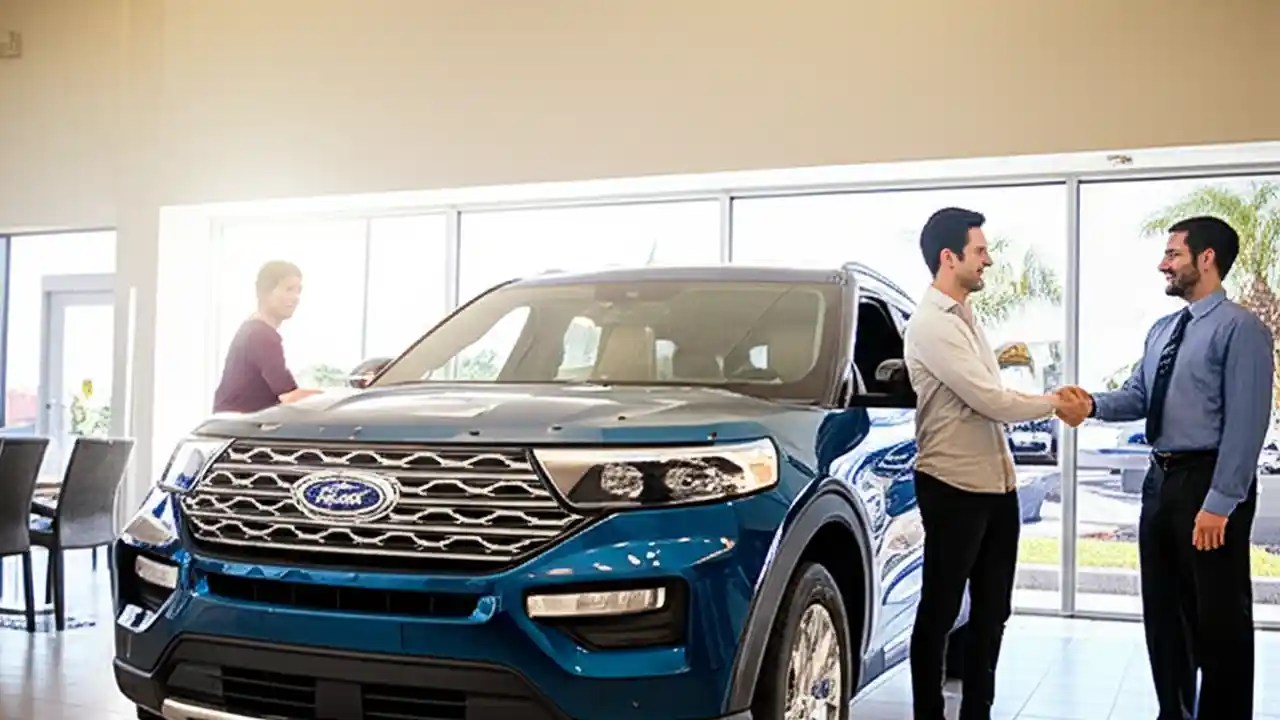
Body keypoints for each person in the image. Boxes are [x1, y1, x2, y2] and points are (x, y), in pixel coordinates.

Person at [1057, 216, 1272, 720]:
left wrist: (1220, 503)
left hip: (1209, 483)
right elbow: (1139, 396)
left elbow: (1247, 424)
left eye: (1173, 254)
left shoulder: (1242, 329)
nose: (1163, 264)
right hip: (1161, 482)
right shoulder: (1163, 331)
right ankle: (1172, 712)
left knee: (1219, 622)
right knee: (1164, 615)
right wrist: (1089, 405)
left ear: (1207, 258)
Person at [903, 207, 1088, 720]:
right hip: (952, 485)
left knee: (993, 612)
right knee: (940, 611)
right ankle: (928, 714)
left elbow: (992, 399)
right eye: (980, 251)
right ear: (949, 257)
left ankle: (978, 712)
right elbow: (991, 400)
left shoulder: (967, 317)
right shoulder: (931, 324)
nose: (988, 260)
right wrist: (1055, 402)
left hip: (995, 486)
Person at [212, 260, 321, 413]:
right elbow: (290, 396)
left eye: (298, 291)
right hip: (239, 429)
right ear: (264, 292)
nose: (295, 297)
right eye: (288, 289)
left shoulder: (252, 328)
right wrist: (334, 397)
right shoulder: (261, 335)